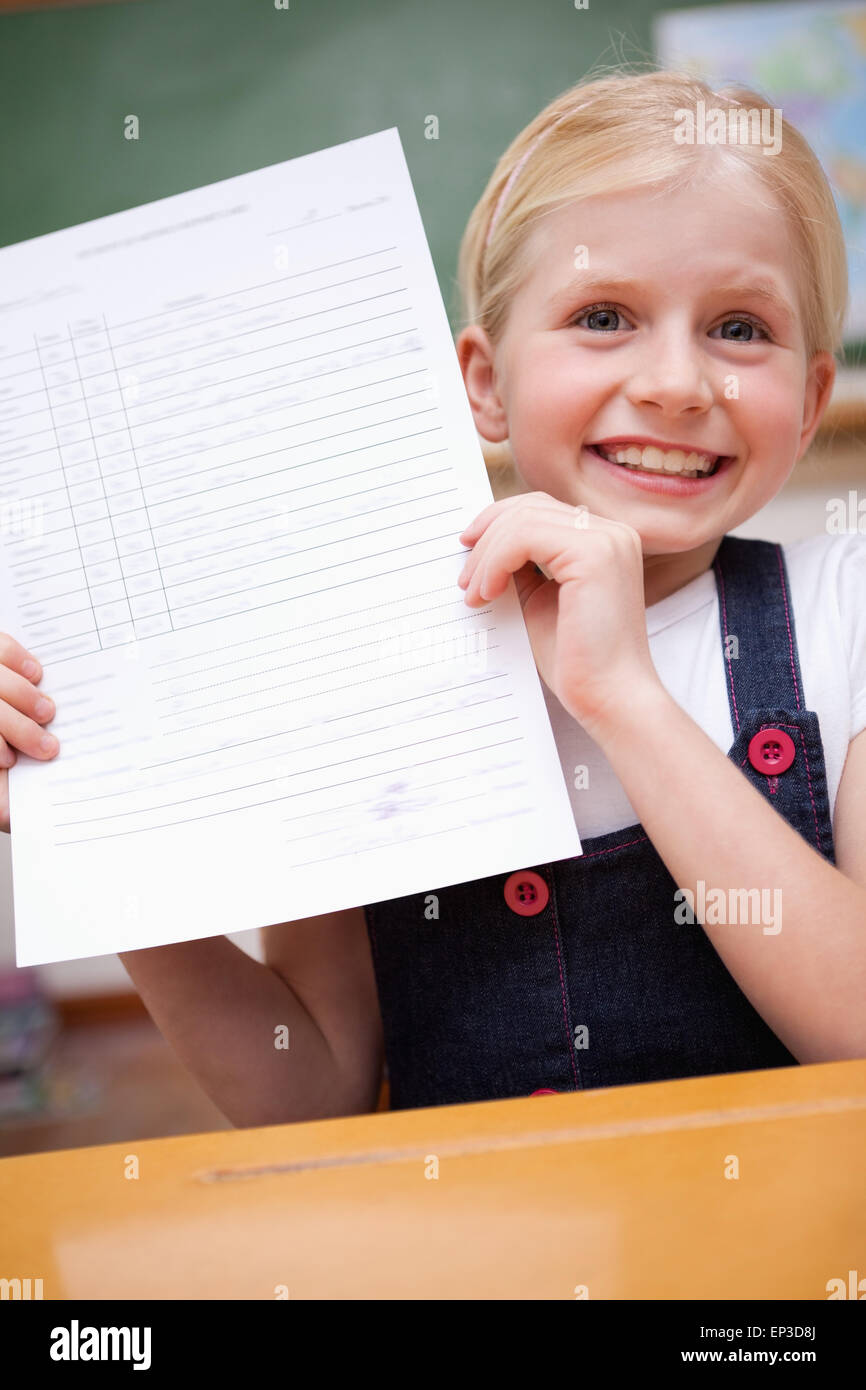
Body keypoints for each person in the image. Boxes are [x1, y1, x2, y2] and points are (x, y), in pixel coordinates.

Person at [2, 67, 864, 1124]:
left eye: (739, 328)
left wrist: (623, 697)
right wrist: (98, 818)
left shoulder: (842, 613)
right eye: (602, 315)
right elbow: (306, 1097)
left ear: (812, 397)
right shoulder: (360, 643)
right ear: (485, 384)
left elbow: (853, 1035)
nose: (677, 383)